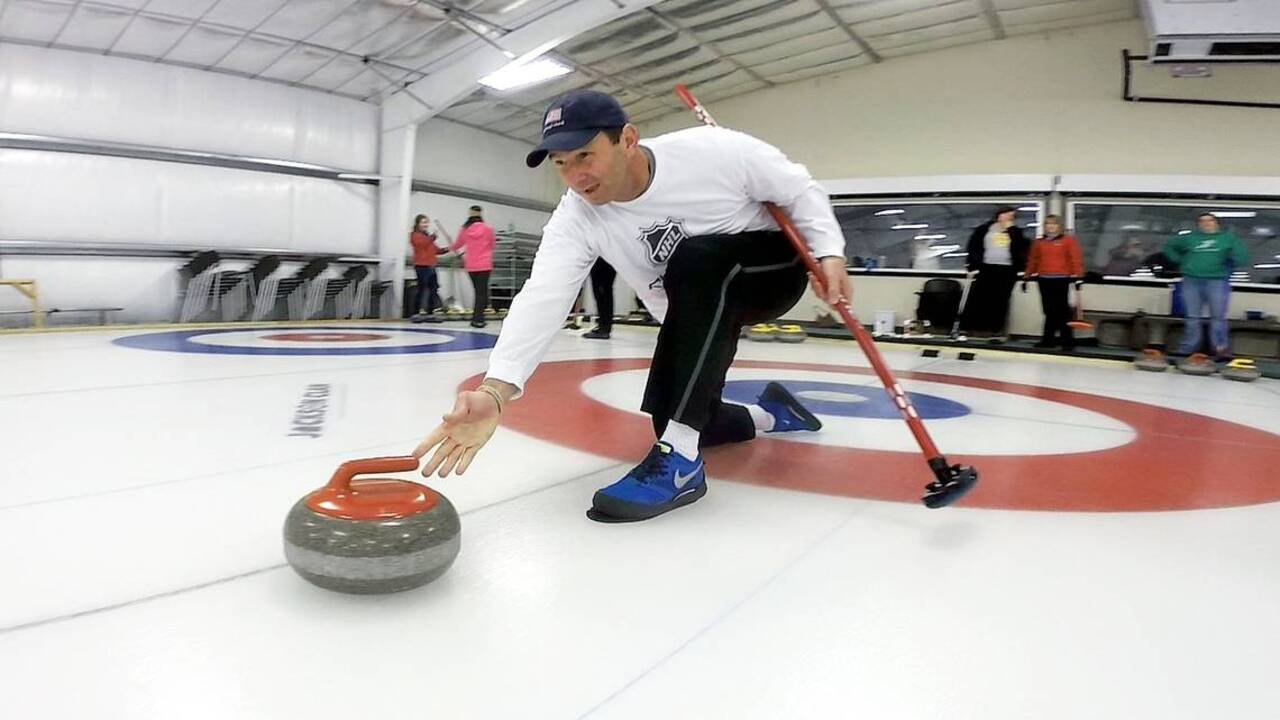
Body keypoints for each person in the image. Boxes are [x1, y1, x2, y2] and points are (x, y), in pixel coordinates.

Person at [412, 89, 849, 523]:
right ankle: (771, 414)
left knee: (696, 260)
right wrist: (497, 389)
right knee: (677, 414)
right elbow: (543, 294)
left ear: (627, 139)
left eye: (585, 155)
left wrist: (829, 252)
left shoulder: (715, 151)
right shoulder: (577, 216)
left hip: (773, 269)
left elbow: (799, 188)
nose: (575, 176)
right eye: (560, 164)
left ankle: (680, 465)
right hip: (698, 302)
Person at [1162, 212, 1249, 359]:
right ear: (1198, 224)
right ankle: (1187, 348)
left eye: (1209, 221)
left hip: (1217, 281)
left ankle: (1220, 349)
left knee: (1218, 317)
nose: (1206, 223)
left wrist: (1233, 263)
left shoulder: (1228, 238)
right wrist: (1180, 260)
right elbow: (1168, 246)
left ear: (1216, 223)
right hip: (1191, 280)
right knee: (1192, 317)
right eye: (1202, 221)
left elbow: (1241, 256)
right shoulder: (1189, 238)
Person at [961, 206, 1027, 340]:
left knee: (1001, 299)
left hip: (1007, 269)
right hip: (987, 267)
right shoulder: (984, 229)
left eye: (1012, 216)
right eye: (1007, 215)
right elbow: (974, 247)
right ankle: (969, 327)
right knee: (980, 297)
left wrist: (1011, 230)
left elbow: (1021, 248)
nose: (1009, 218)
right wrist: (971, 265)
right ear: (999, 215)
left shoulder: (1016, 232)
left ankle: (996, 329)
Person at [1022, 215, 1084, 350]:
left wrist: (1079, 276)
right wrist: (1026, 276)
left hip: (1061, 279)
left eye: (1054, 224)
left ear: (1059, 226)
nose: (1051, 227)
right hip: (1044, 279)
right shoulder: (1039, 243)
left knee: (1062, 311)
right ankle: (1048, 340)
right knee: (1048, 311)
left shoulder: (1068, 241)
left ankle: (1067, 341)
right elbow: (1033, 260)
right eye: (1048, 224)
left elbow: (1075, 259)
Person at [446, 205, 496, 328]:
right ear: (481, 214)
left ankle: (476, 318)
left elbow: (457, 245)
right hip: (484, 265)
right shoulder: (488, 229)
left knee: (477, 292)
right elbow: (492, 245)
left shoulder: (464, 229)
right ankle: (478, 319)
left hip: (471, 266)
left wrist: (450, 245)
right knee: (482, 293)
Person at [409, 214, 446, 323]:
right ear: (418, 224)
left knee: (433, 290)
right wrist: (433, 237)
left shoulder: (427, 237)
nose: (425, 224)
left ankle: (430, 313)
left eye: (426, 222)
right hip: (421, 266)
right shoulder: (414, 235)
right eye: (423, 222)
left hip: (431, 266)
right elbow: (422, 244)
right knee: (421, 290)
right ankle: (416, 313)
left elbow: (435, 249)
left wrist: (447, 249)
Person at [584, 258, 616, 339]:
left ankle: (604, 328)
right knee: (601, 293)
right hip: (603, 259)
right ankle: (603, 325)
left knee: (603, 293)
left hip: (603, 260)